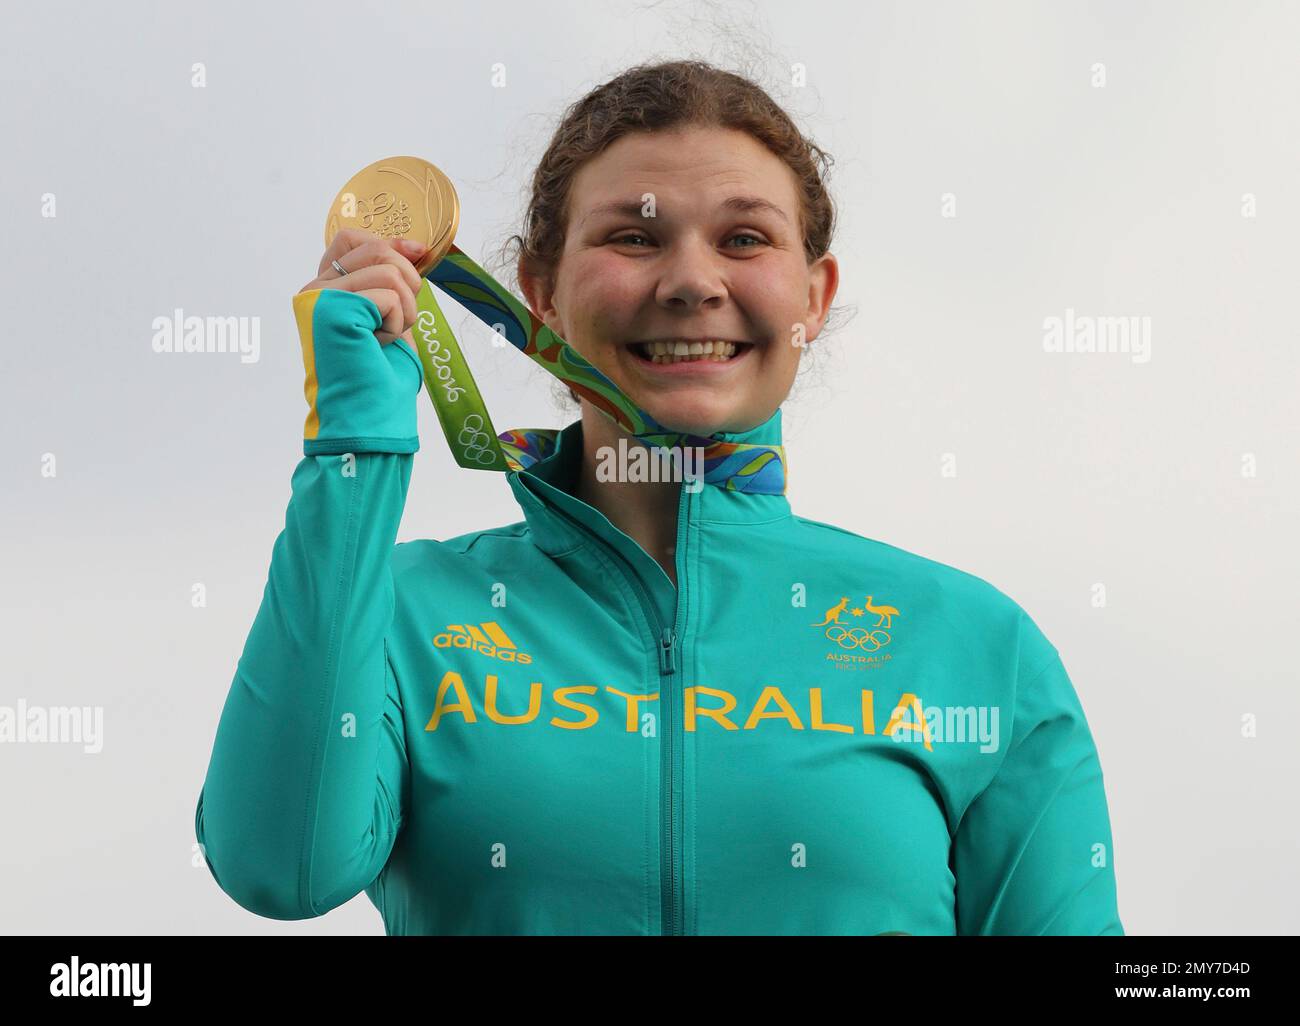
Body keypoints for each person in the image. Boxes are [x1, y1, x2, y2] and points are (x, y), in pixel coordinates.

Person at [194, 59, 1123, 935]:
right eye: (633, 238)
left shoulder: (971, 644)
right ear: (538, 292)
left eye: (745, 239)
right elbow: (281, 867)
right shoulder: (400, 613)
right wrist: (356, 442)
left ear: (814, 294)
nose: (689, 282)